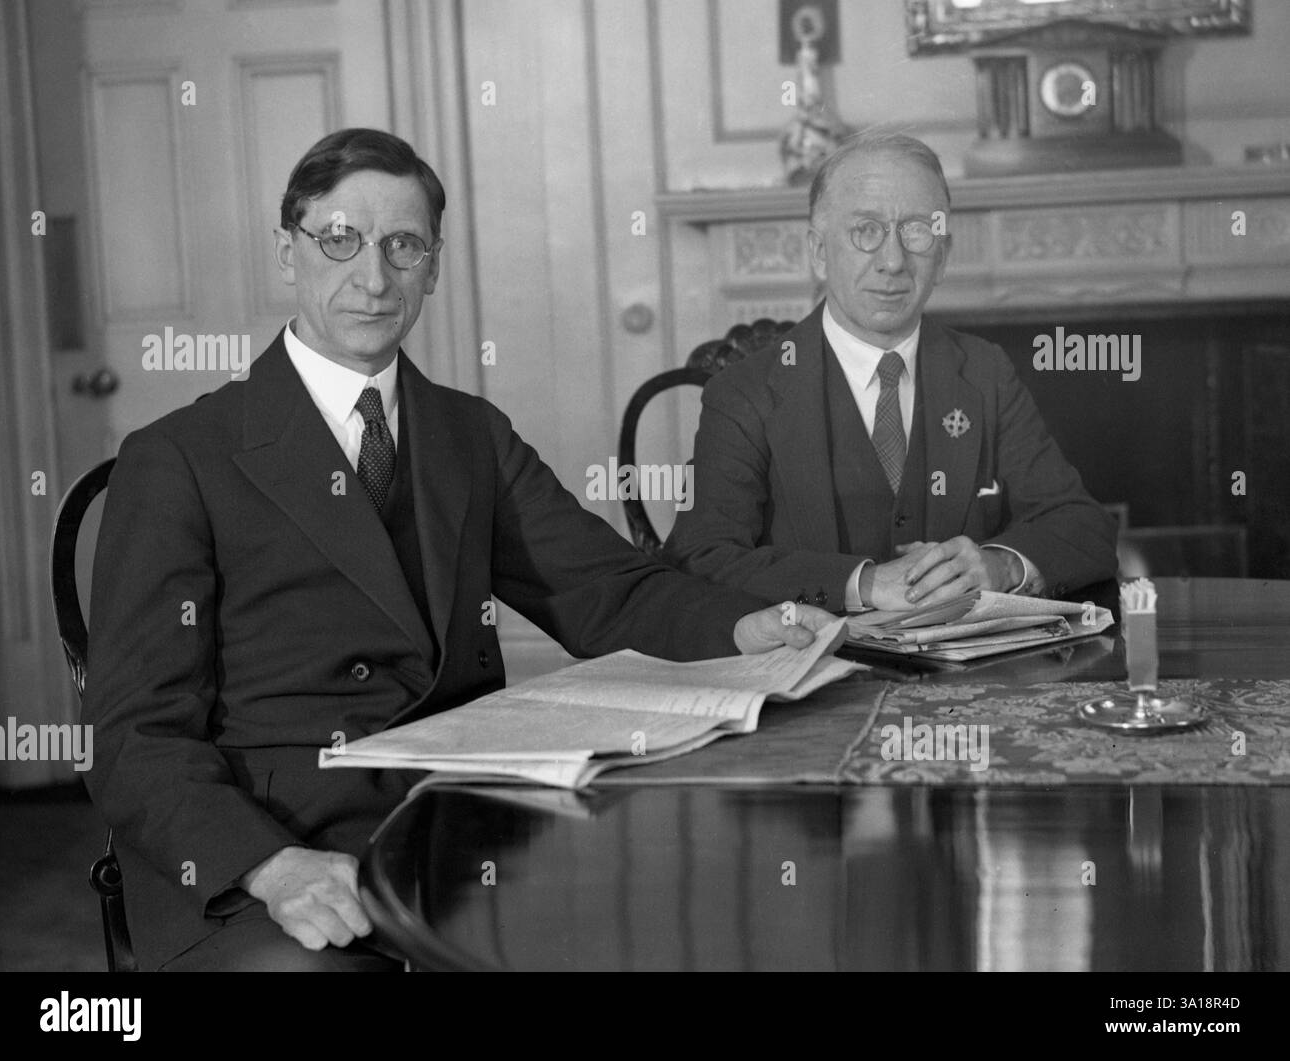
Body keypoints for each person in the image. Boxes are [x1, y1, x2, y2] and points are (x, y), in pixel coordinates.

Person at [81, 128, 833, 972]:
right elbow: (135, 735)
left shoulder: (470, 433)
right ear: (288, 252)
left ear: (433, 266)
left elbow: (603, 587)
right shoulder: (180, 456)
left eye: (403, 245)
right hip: (264, 858)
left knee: (677, 919)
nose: (374, 278)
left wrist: (745, 627)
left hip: (453, 826)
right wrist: (271, 867)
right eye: (340, 240)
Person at [662, 131, 1118, 613]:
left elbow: (1083, 526)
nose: (894, 261)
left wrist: (1001, 565)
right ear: (819, 252)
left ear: (942, 256)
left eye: (917, 231)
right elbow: (699, 557)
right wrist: (861, 584)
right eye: (866, 230)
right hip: (817, 656)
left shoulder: (986, 372)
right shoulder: (744, 393)